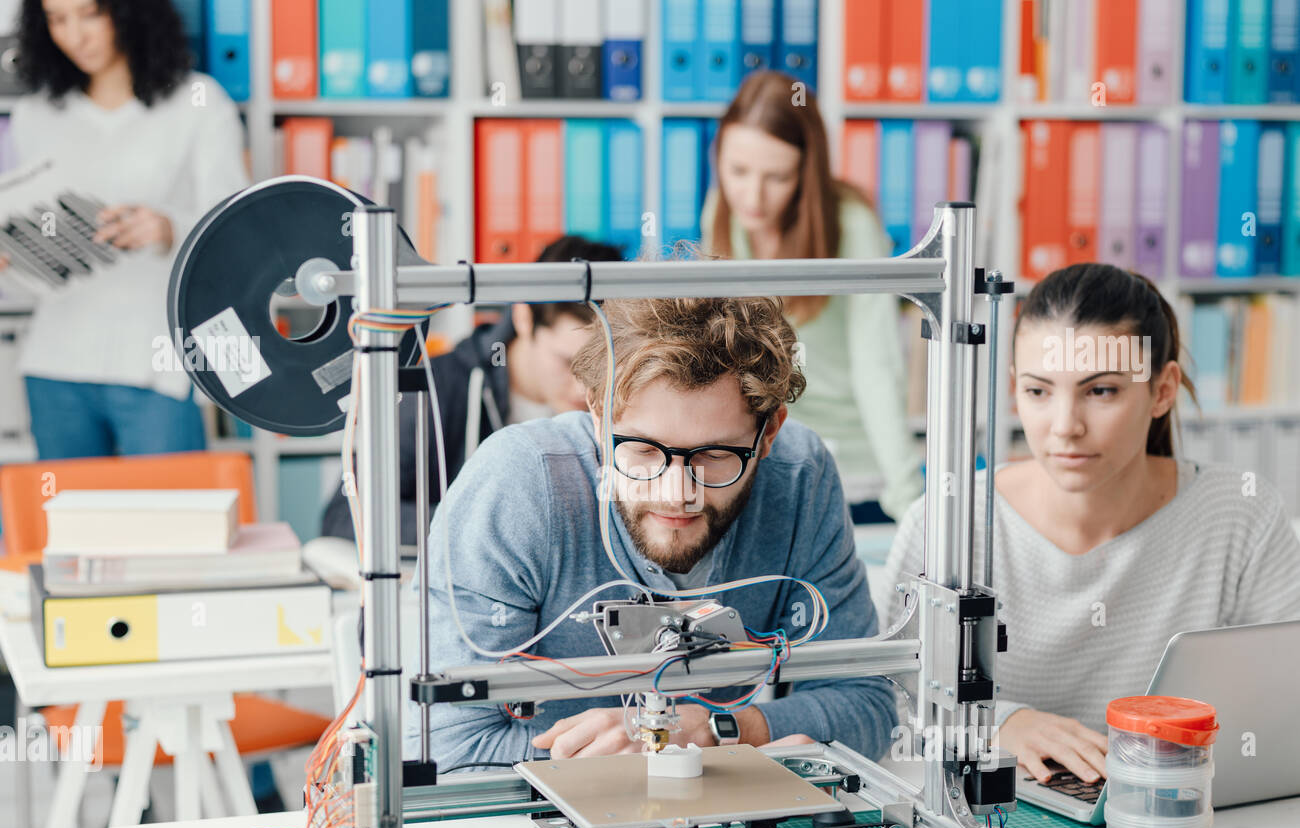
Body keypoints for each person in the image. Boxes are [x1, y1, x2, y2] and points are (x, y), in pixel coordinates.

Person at [411, 295, 898, 770]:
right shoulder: (519, 484)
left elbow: (869, 708)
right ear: (598, 415)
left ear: (768, 433)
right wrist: (642, 749)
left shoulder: (799, 475)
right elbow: (439, 747)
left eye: (713, 455)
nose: (676, 493)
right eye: (644, 450)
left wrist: (715, 729)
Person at [882, 263, 1300, 784]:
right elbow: (889, 703)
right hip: (999, 812)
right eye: (1039, 392)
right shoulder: (948, 520)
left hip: (1187, 809)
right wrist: (1001, 723)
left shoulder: (1242, 514)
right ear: (1014, 391)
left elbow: (1284, 709)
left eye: (1100, 391)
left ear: (1163, 391)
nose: (1065, 426)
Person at [5, 0, 248, 459]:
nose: (75, 36)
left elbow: (235, 233)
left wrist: (168, 227)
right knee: (68, 524)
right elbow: (35, 272)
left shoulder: (198, 101)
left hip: (156, 359)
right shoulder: (35, 115)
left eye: (90, 14)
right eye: (58, 20)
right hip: (57, 363)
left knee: (169, 520)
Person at [703, 70, 922, 523]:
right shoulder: (719, 215)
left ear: (806, 171)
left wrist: (911, 501)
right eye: (738, 170)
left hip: (849, 468)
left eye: (777, 177)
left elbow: (876, 366)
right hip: (758, 459)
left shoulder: (852, 225)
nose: (752, 197)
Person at [320, 236, 624, 544]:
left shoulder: (626, 396)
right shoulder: (438, 386)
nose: (585, 387)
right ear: (523, 316)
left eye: (601, 366)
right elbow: (346, 516)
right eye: (568, 363)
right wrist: (487, 525)